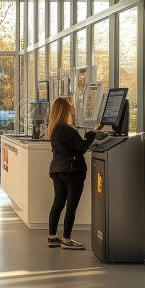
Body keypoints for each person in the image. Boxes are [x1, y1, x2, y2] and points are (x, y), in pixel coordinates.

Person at [46, 96, 98, 250]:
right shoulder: (68, 130)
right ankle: (66, 240)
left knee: (58, 203)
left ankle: (52, 237)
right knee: (71, 206)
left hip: (57, 170)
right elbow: (82, 148)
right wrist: (92, 135)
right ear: (66, 109)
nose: (74, 108)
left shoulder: (54, 129)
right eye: (72, 106)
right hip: (72, 171)